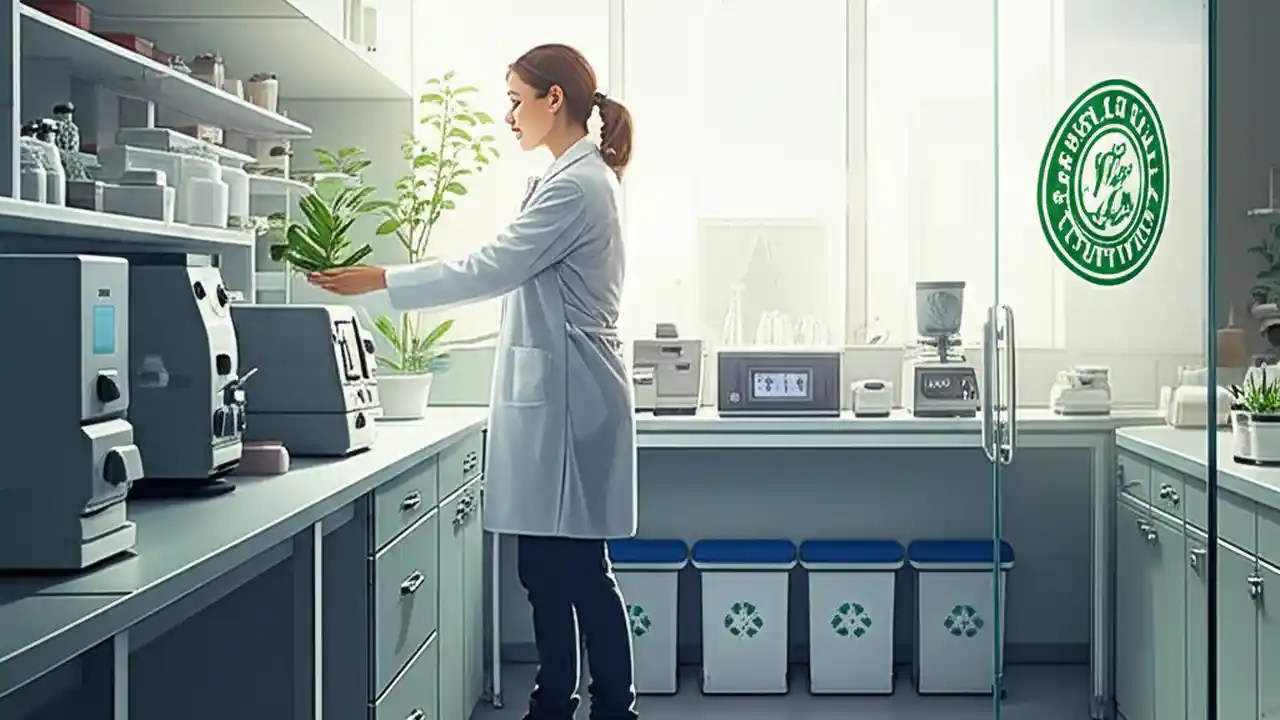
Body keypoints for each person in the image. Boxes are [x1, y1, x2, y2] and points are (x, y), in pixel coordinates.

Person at [308, 43, 639, 720]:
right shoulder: (567, 179)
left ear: (554, 99)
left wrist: (383, 279)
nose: (507, 115)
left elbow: (490, 267)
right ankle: (563, 702)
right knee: (554, 571)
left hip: (570, 402)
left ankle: (603, 708)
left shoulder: (577, 186)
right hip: (563, 394)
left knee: (573, 572)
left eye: (516, 100)